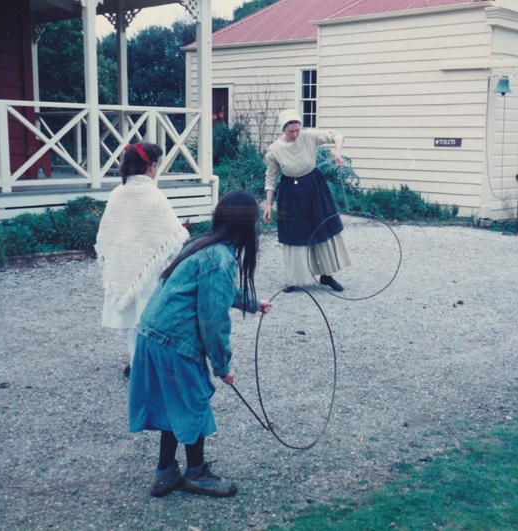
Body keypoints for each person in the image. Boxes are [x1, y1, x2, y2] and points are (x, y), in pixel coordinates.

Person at [129, 190, 272, 498]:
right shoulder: (220, 257)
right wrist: (223, 366)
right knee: (193, 402)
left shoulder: (202, 244)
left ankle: (165, 473)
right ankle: (196, 474)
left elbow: (214, 292)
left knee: (173, 404)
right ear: (247, 226)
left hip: (150, 336)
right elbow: (213, 320)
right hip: (174, 344)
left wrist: (252, 302)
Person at [95, 142, 189, 378]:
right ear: (152, 166)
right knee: (147, 317)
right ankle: (145, 364)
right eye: (157, 165)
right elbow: (174, 238)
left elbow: (106, 234)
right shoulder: (154, 196)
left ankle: (135, 360)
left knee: (131, 318)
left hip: (124, 261)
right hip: (148, 270)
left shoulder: (117, 193)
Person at [263, 108, 351, 292]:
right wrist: (269, 205)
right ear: (283, 130)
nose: (295, 134)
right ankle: (295, 280)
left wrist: (338, 151)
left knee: (322, 228)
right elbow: (271, 179)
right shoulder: (274, 150)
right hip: (290, 193)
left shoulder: (309, 136)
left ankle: (327, 276)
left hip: (314, 187)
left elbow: (337, 135)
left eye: (297, 130)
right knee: (294, 233)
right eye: (291, 131)